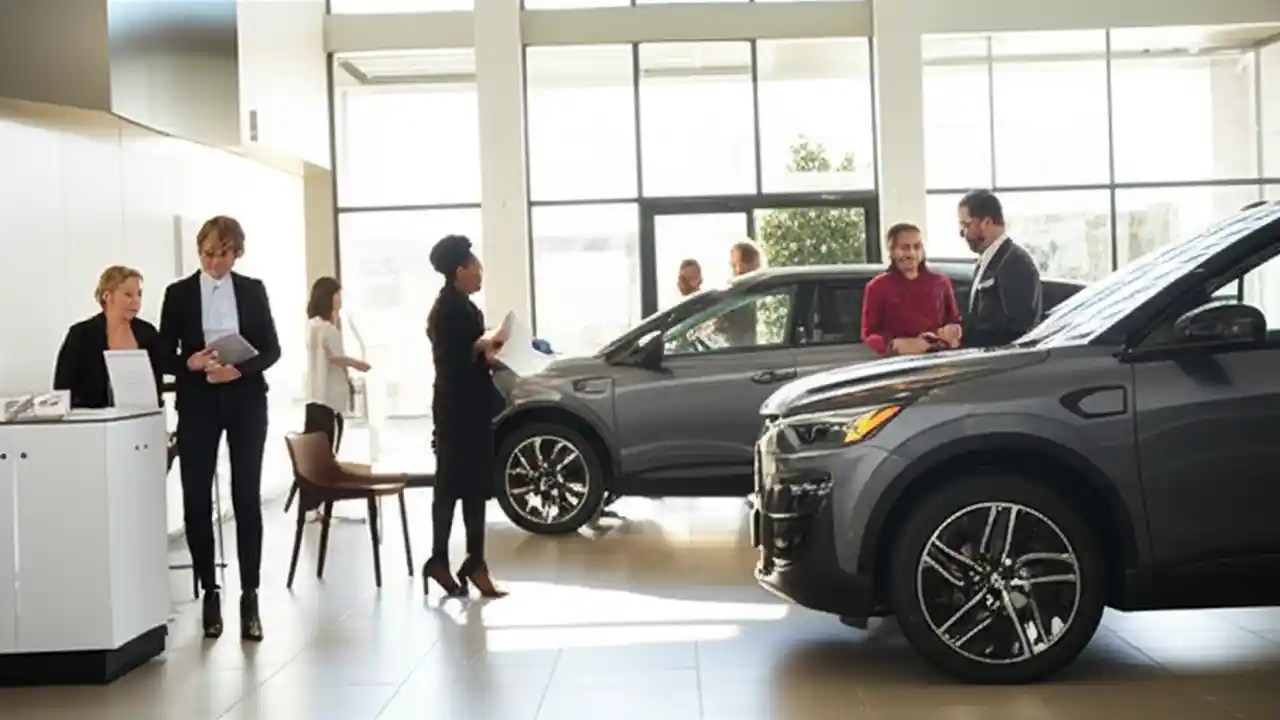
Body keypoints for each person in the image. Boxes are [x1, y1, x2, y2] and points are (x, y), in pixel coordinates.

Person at [157, 215, 280, 642]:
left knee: (245, 495)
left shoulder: (252, 290)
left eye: (221, 254)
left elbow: (272, 349)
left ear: (237, 252)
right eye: (206, 253)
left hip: (245, 399)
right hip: (198, 400)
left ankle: (250, 595)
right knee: (195, 497)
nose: (212, 262)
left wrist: (239, 371)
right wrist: (188, 363)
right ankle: (210, 589)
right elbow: (164, 354)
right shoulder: (177, 294)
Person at [423, 234, 509, 599]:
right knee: (452, 486)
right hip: (457, 410)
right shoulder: (448, 310)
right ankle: (443, 559)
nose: (480, 275)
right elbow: (453, 359)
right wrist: (482, 345)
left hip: (468, 406)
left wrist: (490, 351)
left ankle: (473, 560)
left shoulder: (463, 306)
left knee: (472, 486)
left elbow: (470, 356)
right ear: (460, 270)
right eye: (476, 268)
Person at [283, 277, 371, 516]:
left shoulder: (312, 325)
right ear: (329, 297)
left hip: (315, 397)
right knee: (324, 457)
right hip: (328, 400)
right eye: (337, 294)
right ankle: (315, 505)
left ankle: (311, 506)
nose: (340, 299)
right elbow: (336, 358)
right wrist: (358, 364)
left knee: (313, 457)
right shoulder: (328, 329)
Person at [54, 266, 164, 408]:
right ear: (107, 296)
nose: (136, 301)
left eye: (139, 294)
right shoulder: (81, 334)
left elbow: (157, 383)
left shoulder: (148, 333)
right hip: (93, 420)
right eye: (128, 295)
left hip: (142, 418)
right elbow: (63, 387)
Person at [861, 223, 963, 356]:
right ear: (891, 251)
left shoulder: (941, 282)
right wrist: (893, 345)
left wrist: (954, 331)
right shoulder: (876, 287)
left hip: (938, 360)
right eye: (904, 247)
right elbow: (868, 334)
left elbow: (955, 320)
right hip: (897, 364)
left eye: (917, 247)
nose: (911, 253)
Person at [958, 190, 1042, 347]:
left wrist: (963, 337)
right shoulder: (987, 260)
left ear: (987, 222)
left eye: (966, 224)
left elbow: (1019, 330)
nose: (962, 233)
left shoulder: (1015, 263)